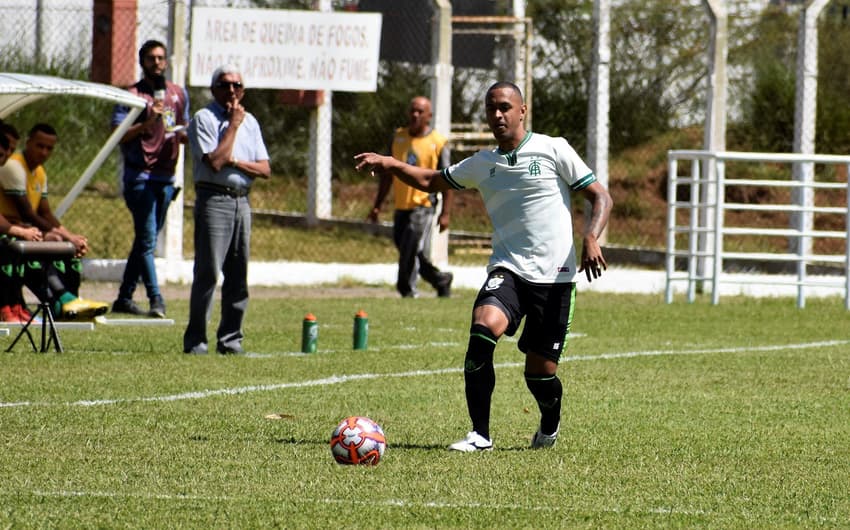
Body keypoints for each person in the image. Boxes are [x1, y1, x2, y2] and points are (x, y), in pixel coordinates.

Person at [355, 82, 613, 451]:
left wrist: (591, 237)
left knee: (540, 375)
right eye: (492, 108)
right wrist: (392, 164)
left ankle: (549, 424)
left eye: (505, 107)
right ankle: (480, 435)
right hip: (508, 269)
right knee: (481, 332)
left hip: (555, 279)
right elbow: (432, 180)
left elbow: (600, 195)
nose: (498, 115)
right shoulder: (482, 163)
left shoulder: (554, 148)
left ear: (522, 110)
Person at [183, 65, 270, 355]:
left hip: (242, 201)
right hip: (214, 199)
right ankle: (196, 341)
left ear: (243, 90)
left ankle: (231, 340)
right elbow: (216, 162)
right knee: (208, 272)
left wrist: (236, 162)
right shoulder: (203, 119)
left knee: (238, 274)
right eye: (224, 85)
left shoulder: (252, 122)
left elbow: (264, 168)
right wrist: (232, 125)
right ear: (213, 89)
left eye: (236, 85)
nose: (231, 90)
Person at [110, 39, 189, 318]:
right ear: (142, 62)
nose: (157, 63)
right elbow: (117, 135)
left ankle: (124, 297)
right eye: (151, 58)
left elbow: (179, 126)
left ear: (166, 61)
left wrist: (184, 135)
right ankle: (157, 299)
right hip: (140, 176)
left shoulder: (178, 93)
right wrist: (147, 122)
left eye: (161, 58)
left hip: (166, 177)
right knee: (147, 241)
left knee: (146, 239)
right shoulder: (132, 95)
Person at [0, 123, 109, 320]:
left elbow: (45, 213)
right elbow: (27, 214)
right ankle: (60, 301)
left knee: (64, 246)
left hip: (19, 227)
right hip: (14, 228)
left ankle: (70, 303)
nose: (44, 152)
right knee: (34, 247)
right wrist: (28, 231)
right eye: (39, 146)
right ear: (28, 142)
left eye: (49, 148)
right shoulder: (13, 166)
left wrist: (71, 237)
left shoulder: (39, 172)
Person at [367, 96, 454, 298]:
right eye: (412, 110)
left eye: (420, 111)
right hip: (401, 205)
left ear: (429, 116)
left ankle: (406, 291)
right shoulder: (398, 138)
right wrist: (377, 205)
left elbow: (448, 179)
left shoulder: (438, 143)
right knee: (409, 249)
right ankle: (441, 280)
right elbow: (387, 175)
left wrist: (446, 213)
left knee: (410, 248)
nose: (415, 114)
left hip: (424, 205)